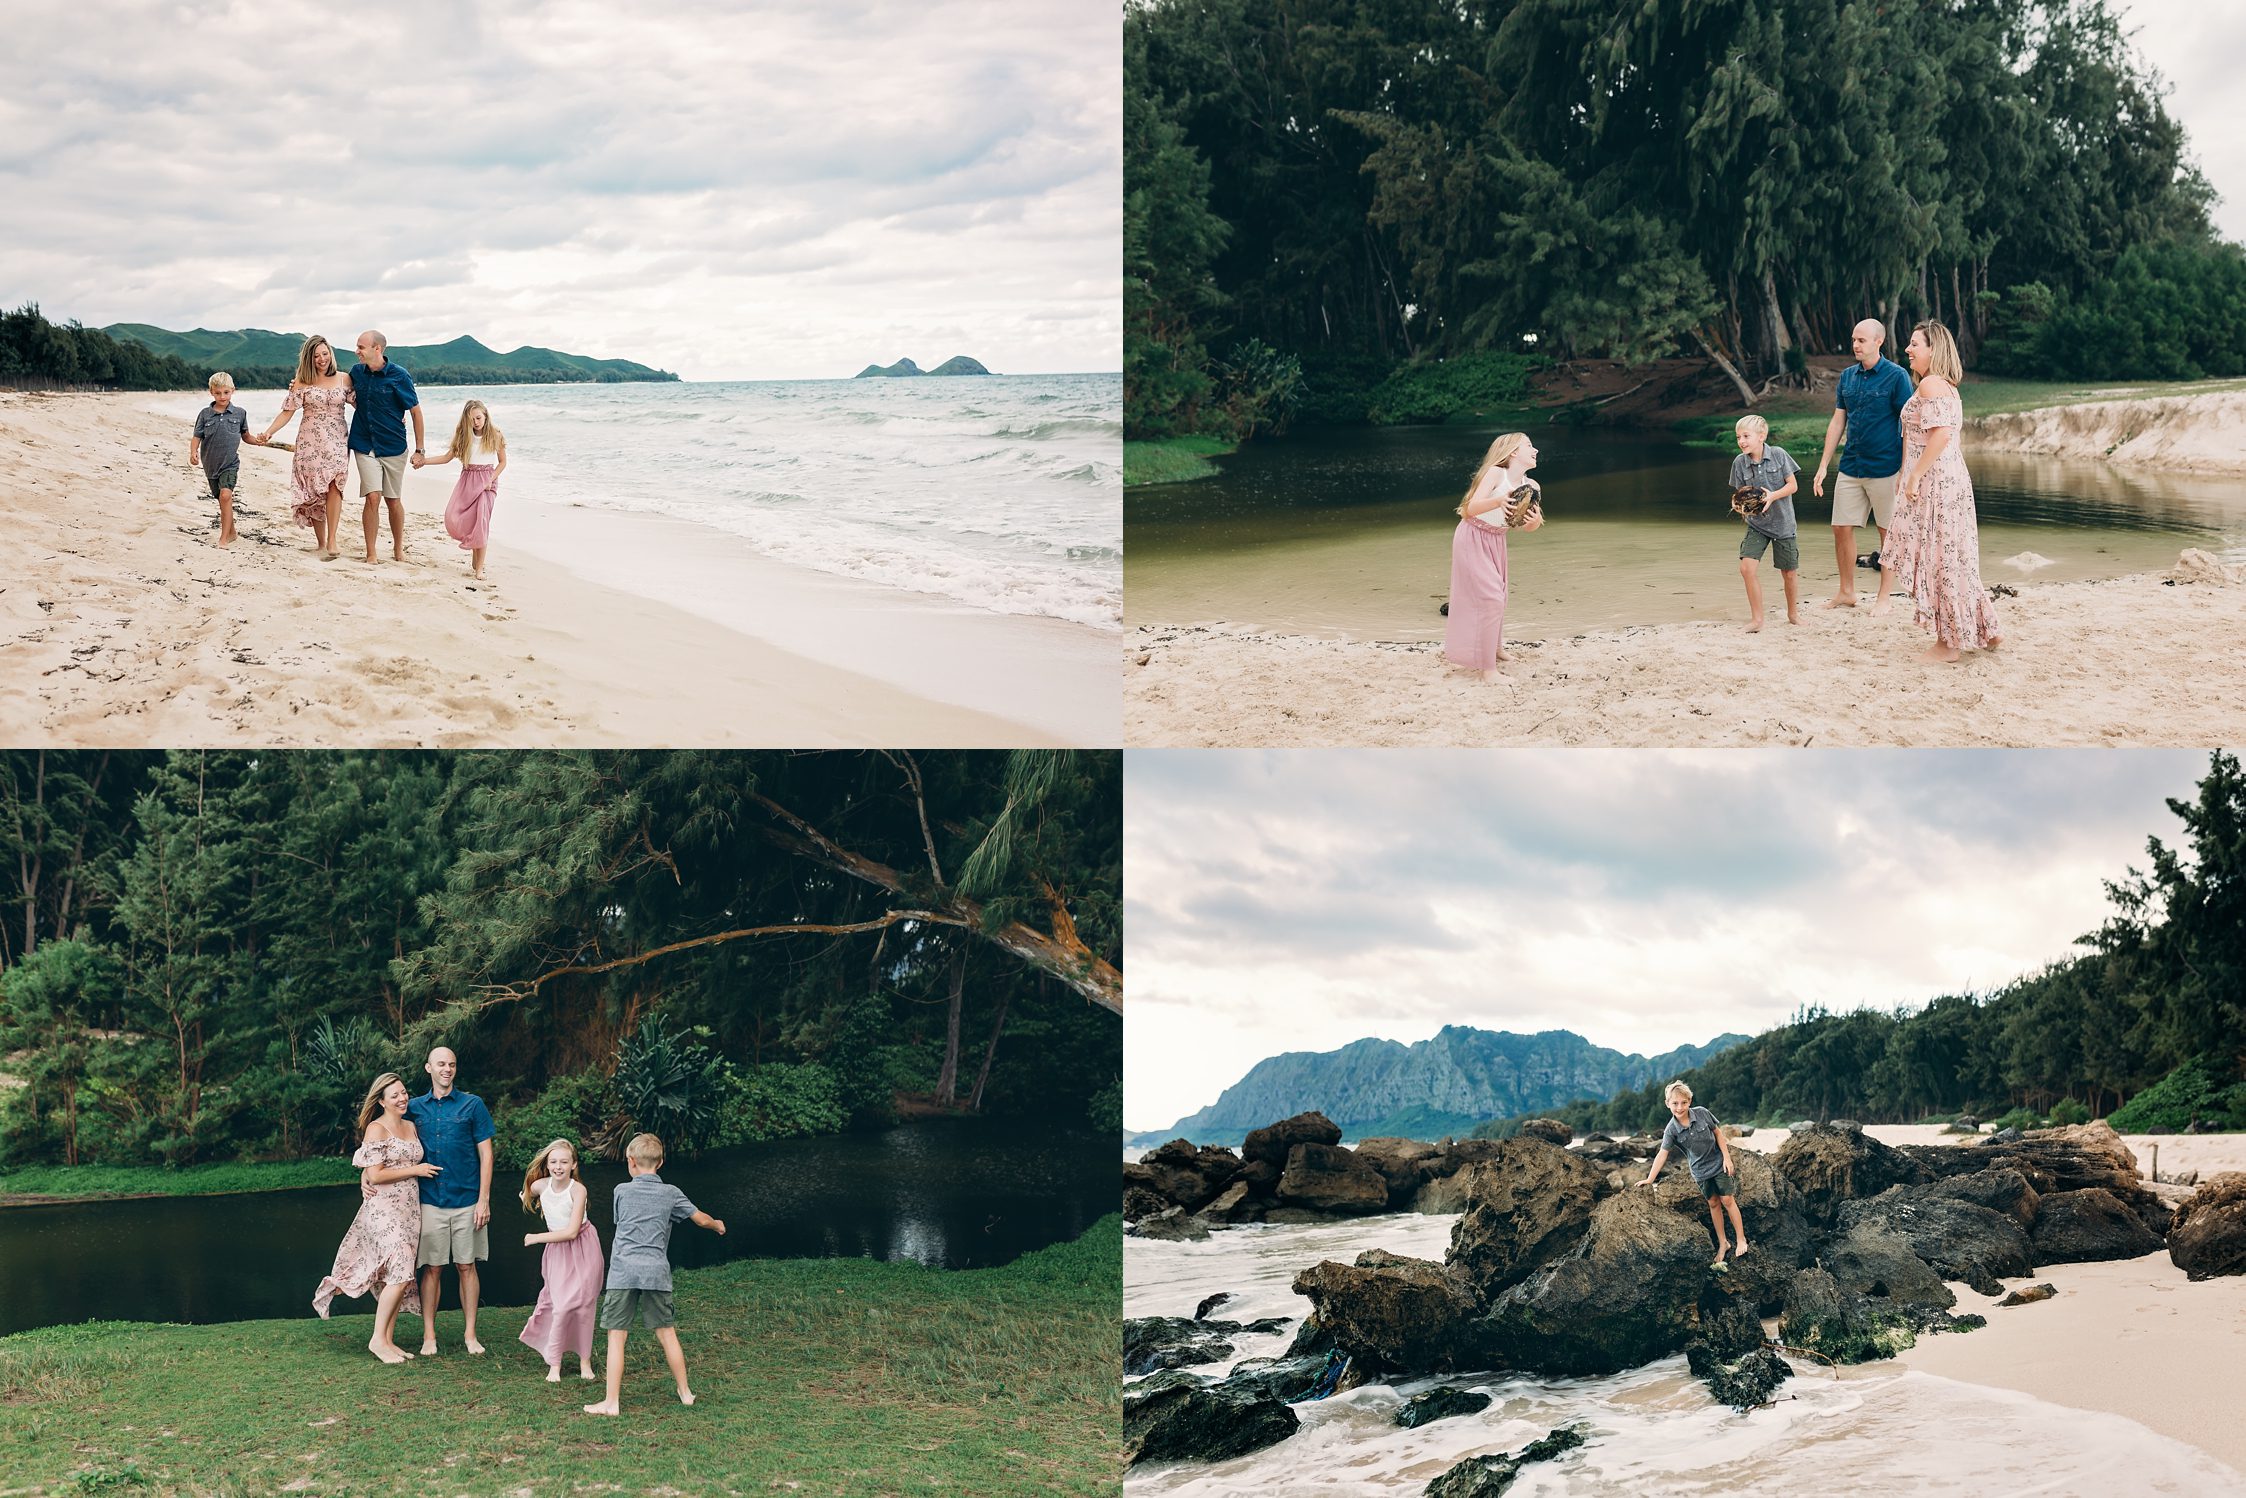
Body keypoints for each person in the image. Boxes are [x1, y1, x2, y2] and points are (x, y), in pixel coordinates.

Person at [1877, 321, 2002, 663]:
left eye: (1915, 344)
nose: (1908, 349)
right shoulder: (1944, 386)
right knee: (1955, 555)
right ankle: (1985, 628)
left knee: (1941, 557)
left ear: (1933, 350)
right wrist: (1907, 474)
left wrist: (1914, 477)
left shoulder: (1932, 384)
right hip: (1949, 479)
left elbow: (1942, 434)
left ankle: (1948, 644)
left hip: (1936, 481)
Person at [583, 1132, 726, 1416]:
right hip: (656, 1273)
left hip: (624, 1272)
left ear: (631, 1161)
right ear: (660, 1162)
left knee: (616, 1336)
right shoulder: (671, 1193)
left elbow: (621, 1221)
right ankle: (685, 1392)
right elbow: (700, 1219)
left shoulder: (620, 1191)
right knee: (667, 1333)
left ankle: (612, 1402)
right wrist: (717, 1225)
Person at [313, 1072, 440, 1363]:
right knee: (401, 1266)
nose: (402, 1098)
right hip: (383, 1209)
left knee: (396, 1274)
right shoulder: (376, 1128)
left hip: (409, 1210)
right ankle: (376, 1341)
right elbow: (376, 1174)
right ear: (381, 1100)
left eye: (404, 1092)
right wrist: (416, 1170)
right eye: (394, 1095)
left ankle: (387, 1340)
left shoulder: (410, 1124)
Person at [1810, 319, 1913, 608]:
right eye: (1854, 339)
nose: (1855, 345)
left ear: (1878, 341)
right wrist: (1822, 465)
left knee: (1887, 532)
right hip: (1851, 465)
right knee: (1840, 527)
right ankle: (1846, 592)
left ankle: (1884, 597)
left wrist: (1905, 468)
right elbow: (1838, 420)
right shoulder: (1847, 377)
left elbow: (1908, 424)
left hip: (1886, 467)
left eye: (1862, 340)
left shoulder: (1897, 376)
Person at [405, 1045, 495, 1355]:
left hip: (468, 1200)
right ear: (428, 1068)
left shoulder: (473, 1105)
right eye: (441, 1064)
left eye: (452, 1064)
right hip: (430, 1200)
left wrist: (484, 1199)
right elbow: (384, 1138)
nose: (447, 1069)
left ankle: (470, 1335)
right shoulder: (413, 1108)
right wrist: (367, 1173)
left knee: (467, 1266)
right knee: (431, 1268)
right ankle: (429, 1336)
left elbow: (486, 1154)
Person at [1442, 432, 1545, 682]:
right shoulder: (1496, 474)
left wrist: (1536, 522)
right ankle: (1488, 671)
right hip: (1472, 536)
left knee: (1501, 595)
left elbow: (1524, 526)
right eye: (1529, 446)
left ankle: (1496, 649)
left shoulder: (1532, 487)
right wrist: (1499, 500)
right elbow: (1468, 510)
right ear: (1512, 453)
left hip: (1497, 540)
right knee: (1491, 599)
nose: (1536, 450)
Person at [256, 335, 353, 559]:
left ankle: (332, 540)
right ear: (309, 358)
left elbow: (364, 404)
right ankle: (320, 542)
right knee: (314, 490)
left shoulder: (345, 379)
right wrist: (269, 432)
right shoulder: (302, 381)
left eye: (325, 354)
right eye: (316, 355)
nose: (321, 359)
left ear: (331, 354)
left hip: (338, 439)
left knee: (335, 484)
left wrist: (395, 417)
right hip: (310, 441)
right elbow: (287, 412)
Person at [519, 1137, 605, 1383]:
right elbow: (528, 1190)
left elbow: (571, 1232)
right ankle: (554, 1363)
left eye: (564, 1162)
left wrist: (537, 1237)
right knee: (560, 1304)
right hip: (558, 1253)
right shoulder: (540, 1186)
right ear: (547, 1164)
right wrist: (526, 1197)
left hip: (583, 1247)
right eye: (553, 1161)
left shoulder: (578, 1190)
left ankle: (584, 1361)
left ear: (573, 1165)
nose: (558, 1166)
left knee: (584, 1305)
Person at [1637, 1081, 1748, 1268]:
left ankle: (1741, 1239)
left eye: (1683, 1103)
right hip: (1699, 1171)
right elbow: (1662, 1154)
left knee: (1728, 1200)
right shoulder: (1671, 1130)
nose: (1679, 1107)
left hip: (1718, 1164)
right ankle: (1723, 1243)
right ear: (1667, 1104)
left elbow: (1719, 1134)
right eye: (1675, 1103)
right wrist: (1650, 1179)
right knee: (1713, 1203)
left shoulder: (1702, 1113)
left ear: (1690, 1101)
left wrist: (1727, 1158)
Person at [347, 330, 424, 564]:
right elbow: (336, 386)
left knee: (393, 500)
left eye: (361, 347)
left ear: (377, 349)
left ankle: (398, 549)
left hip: (393, 445)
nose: (356, 351)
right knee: (372, 496)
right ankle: (371, 553)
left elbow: (415, 412)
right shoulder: (356, 372)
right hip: (363, 443)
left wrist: (420, 450)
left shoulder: (400, 376)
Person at [417, 399, 506, 578]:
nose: (476, 422)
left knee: (481, 521)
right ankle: (475, 550)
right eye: (472, 419)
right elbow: (446, 457)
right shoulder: (463, 435)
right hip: (468, 479)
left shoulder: (495, 434)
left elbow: (503, 462)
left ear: (486, 415)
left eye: (479, 418)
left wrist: (490, 478)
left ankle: (479, 569)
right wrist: (425, 461)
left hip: (487, 482)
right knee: (454, 516)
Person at [1729, 413, 1801, 633]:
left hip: (1784, 525)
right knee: (1746, 569)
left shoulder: (1779, 455)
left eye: (1746, 436)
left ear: (1762, 436)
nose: (1741, 441)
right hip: (1757, 526)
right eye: (1738, 437)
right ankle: (1757, 619)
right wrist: (1741, 507)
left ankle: (1793, 615)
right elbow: (1740, 494)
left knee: (1788, 573)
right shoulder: (1739, 463)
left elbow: (1793, 486)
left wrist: (1772, 496)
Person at [188, 371, 257, 545]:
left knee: (226, 496)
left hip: (230, 464)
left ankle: (223, 538)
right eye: (218, 393)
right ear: (211, 391)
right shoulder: (205, 414)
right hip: (210, 465)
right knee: (221, 499)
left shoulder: (240, 413)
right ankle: (232, 532)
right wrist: (193, 452)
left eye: (226, 392)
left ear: (232, 390)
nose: (222, 396)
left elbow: (246, 436)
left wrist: (258, 441)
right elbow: (197, 436)